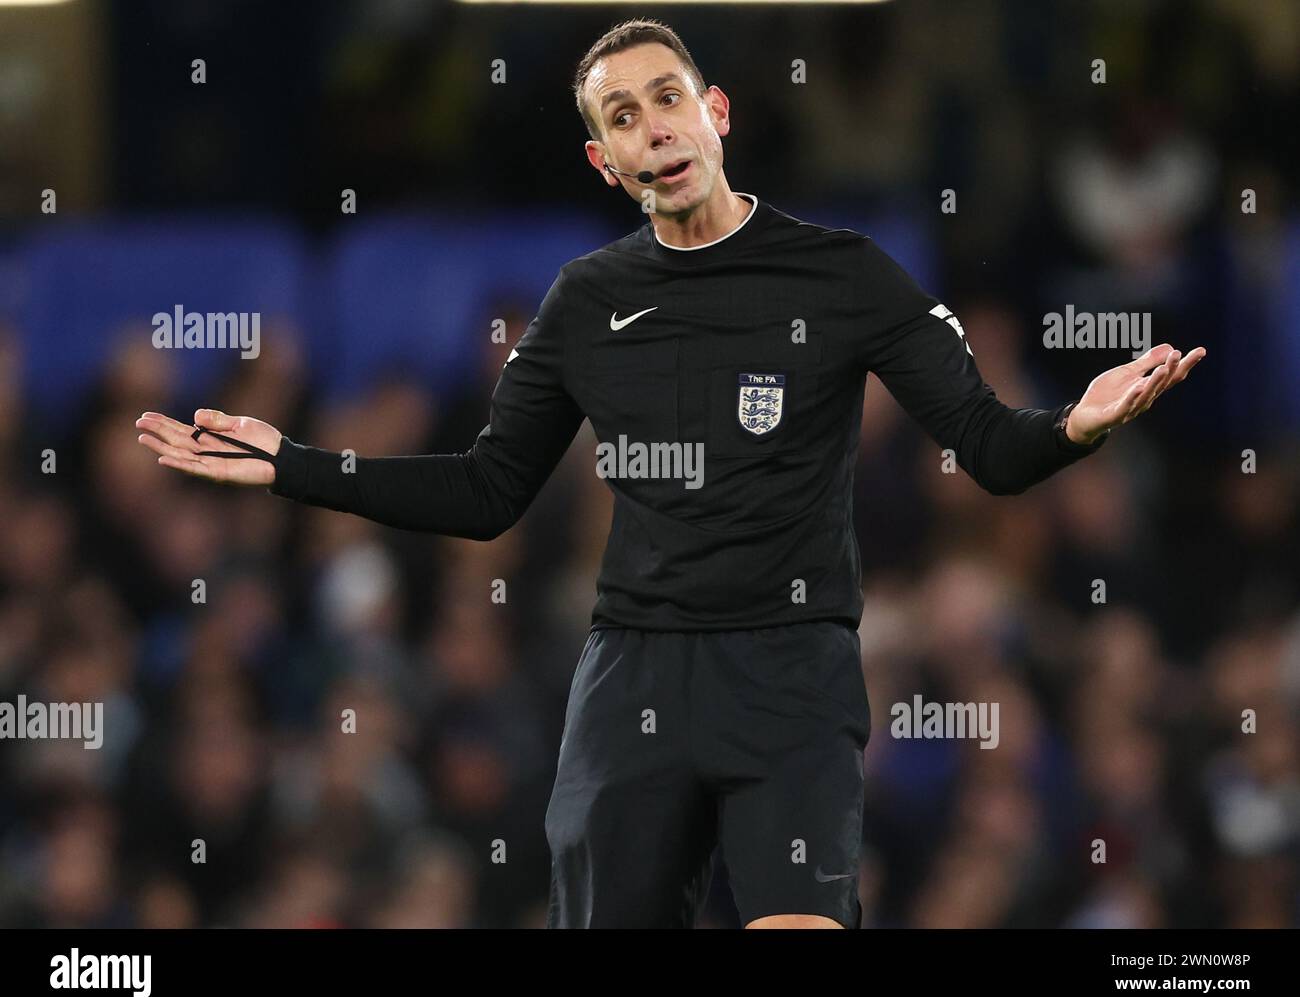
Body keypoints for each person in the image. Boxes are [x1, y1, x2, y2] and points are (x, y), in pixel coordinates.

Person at [135, 18, 1204, 929]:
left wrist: (1075, 422)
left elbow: (984, 443)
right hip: (634, 682)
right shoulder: (584, 302)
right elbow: (486, 490)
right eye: (622, 117)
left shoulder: (842, 275)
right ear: (606, 161)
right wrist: (293, 466)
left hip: (792, 678)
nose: (654, 127)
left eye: (667, 99)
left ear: (718, 113)